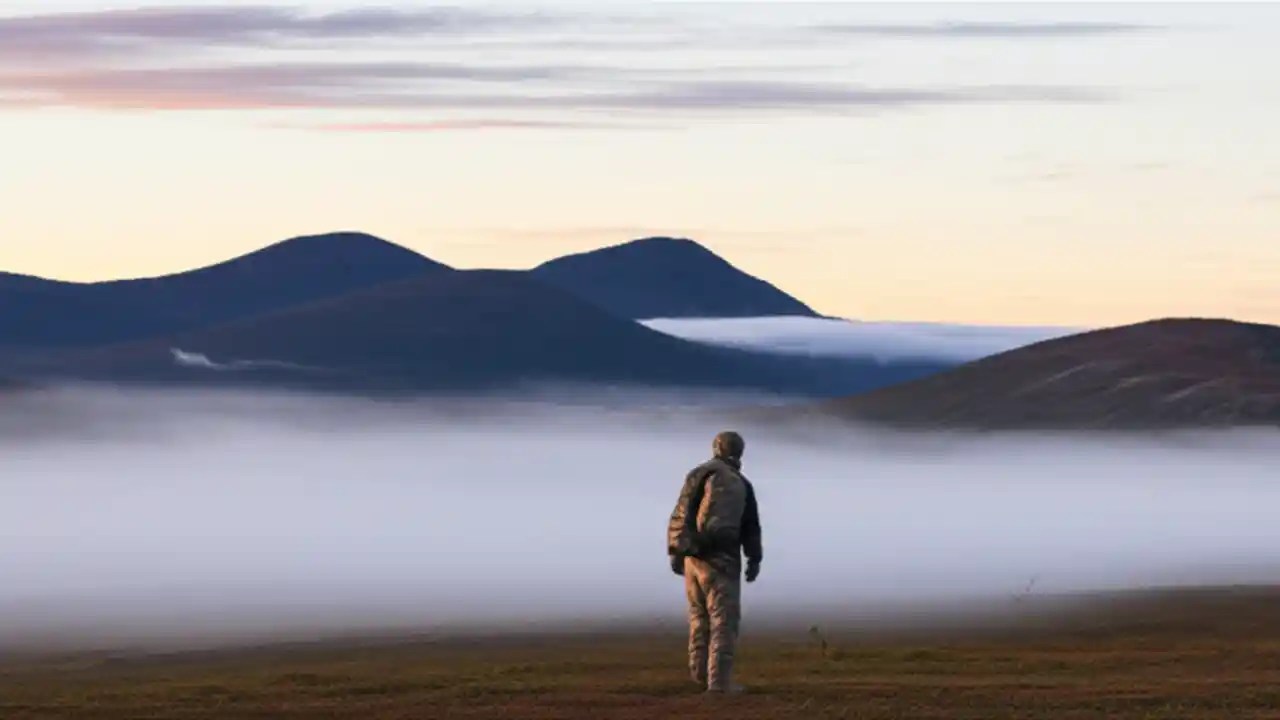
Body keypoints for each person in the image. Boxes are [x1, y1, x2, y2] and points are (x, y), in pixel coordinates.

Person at [666, 430, 763, 694]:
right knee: (723, 620)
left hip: (691, 560)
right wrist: (753, 559)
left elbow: (681, 513)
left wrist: (677, 552)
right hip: (719, 559)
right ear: (739, 452)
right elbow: (743, 526)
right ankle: (719, 683)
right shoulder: (733, 481)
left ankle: (699, 674)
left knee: (699, 618)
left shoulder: (697, 473)